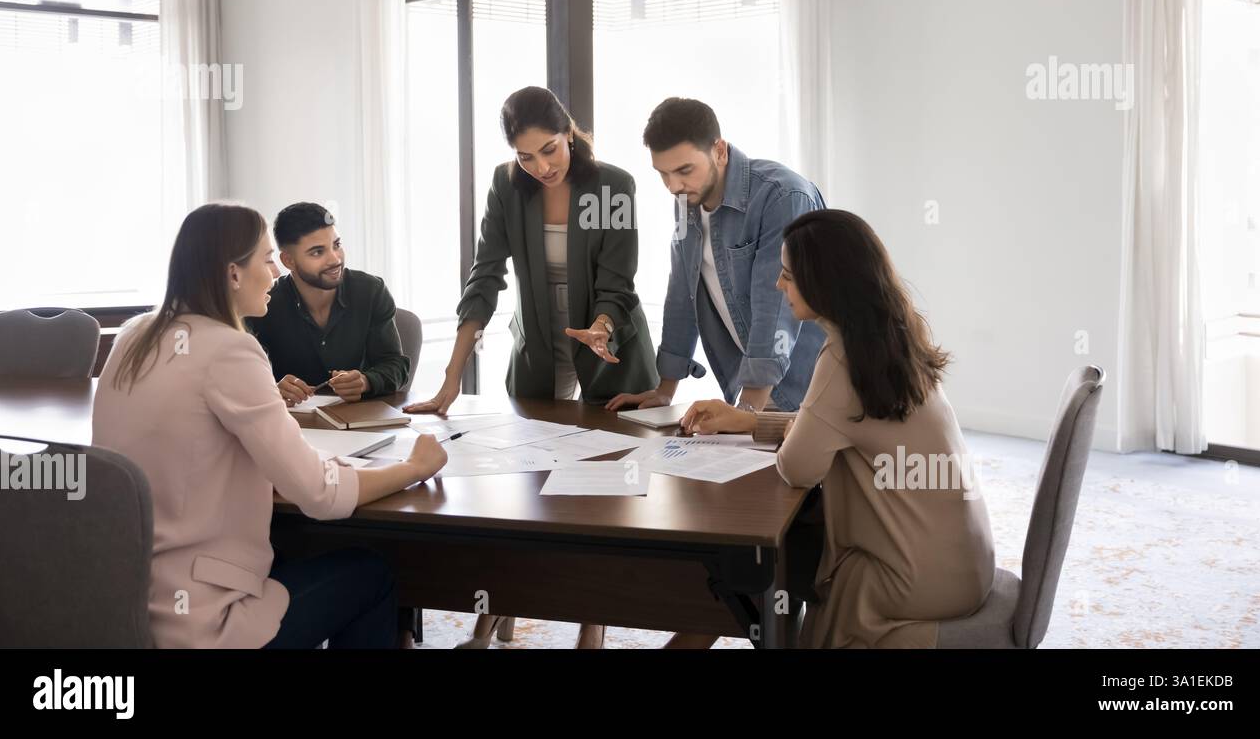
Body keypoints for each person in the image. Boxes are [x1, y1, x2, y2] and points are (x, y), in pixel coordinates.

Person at [93, 203, 447, 648]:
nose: (276, 271)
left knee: (298, 554)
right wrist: (415, 468)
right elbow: (320, 495)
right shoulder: (230, 350)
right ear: (233, 274)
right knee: (371, 572)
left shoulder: (132, 335)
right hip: (201, 621)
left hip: (124, 602)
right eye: (266, 259)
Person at [406, 85, 659, 649]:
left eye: (550, 149)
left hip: (604, 344)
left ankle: (592, 623)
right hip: (540, 345)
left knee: (602, 494)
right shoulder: (507, 186)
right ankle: (497, 610)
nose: (540, 166)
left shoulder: (611, 185)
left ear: (568, 132)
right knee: (527, 493)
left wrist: (601, 325)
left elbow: (619, 281)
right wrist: (450, 377)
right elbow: (485, 277)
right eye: (526, 156)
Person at [680, 209, 996, 648]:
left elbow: (799, 467)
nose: (778, 285)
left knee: (781, 555)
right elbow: (843, 427)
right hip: (963, 559)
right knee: (790, 551)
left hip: (915, 579)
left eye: (788, 276)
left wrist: (769, 426)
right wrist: (751, 422)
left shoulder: (842, 359)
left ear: (823, 282)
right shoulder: (892, 333)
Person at [607, 97, 826, 416]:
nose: (672, 186)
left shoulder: (782, 196)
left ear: (720, 151)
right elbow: (681, 294)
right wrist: (664, 391)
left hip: (812, 392)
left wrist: (748, 410)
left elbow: (774, 307)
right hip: (756, 395)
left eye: (684, 170)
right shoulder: (685, 201)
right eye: (663, 174)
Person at [247, 202, 409, 406]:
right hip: (295, 424)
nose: (335, 259)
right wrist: (271, 387)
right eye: (317, 252)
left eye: (337, 245)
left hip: (360, 421)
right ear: (288, 261)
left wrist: (366, 381)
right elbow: (242, 373)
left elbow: (396, 365)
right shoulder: (265, 302)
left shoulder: (370, 290)